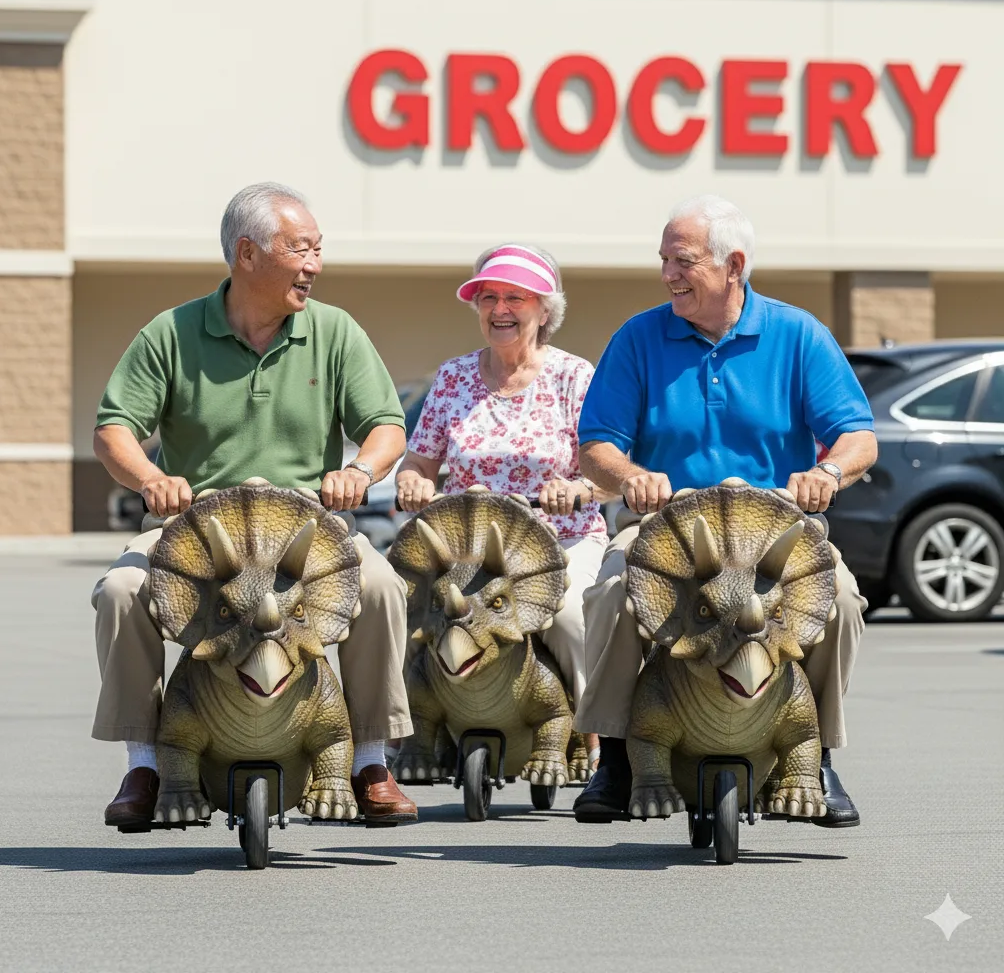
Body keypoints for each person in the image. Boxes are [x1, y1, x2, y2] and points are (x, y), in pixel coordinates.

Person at [92, 182, 417, 827]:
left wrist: (359, 469)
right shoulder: (171, 333)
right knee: (120, 591)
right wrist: (149, 479)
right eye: (300, 249)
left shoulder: (335, 331)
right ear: (247, 253)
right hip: (195, 533)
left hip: (307, 531)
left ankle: (371, 760)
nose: (314, 264)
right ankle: (145, 763)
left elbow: (386, 426)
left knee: (380, 584)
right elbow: (112, 431)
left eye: (318, 249)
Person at [572, 194, 877, 827]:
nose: (667, 275)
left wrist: (826, 471)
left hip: (776, 533)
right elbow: (595, 448)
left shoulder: (798, 335)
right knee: (607, 592)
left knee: (843, 601)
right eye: (663, 260)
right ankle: (618, 755)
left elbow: (859, 439)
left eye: (681, 261)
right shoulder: (638, 337)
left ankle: (815, 755)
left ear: (733, 265)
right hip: (666, 531)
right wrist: (632, 476)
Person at [395, 243, 609, 765]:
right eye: (489, 297)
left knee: (571, 618)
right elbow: (418, 462)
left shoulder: (575, 377)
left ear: (544, 309)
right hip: (464, 547)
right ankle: (394, 741)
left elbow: (612, 472)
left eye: (516, 297)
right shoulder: (453, 378)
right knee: (398, 607)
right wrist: (414, 483)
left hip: (560, 538)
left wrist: (580, 488)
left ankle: (604, 741)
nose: (500, 309)